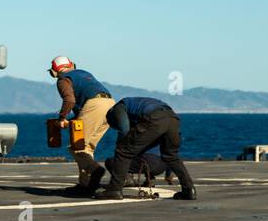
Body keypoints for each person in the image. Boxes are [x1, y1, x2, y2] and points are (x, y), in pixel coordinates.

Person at [98, 96, 197, 201]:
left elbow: (124, 129)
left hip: (154, 117)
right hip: (172, 118)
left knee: (123, 150)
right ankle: (189, 190)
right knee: (171, 155)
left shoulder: (117, 108)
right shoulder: (137, 106)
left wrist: (122, 143)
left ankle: (114, 190)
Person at [50, 56, 116, 195]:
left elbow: (69, 100)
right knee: (87, 147)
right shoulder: (84, 73)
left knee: (77, 147)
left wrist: (62, 118)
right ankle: (86, 185)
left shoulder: (63, 79)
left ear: (55, 72)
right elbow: (85, 110)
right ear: (72, 65)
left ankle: (95, 170)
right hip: (110, 104)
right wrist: (74, 119)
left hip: (94, 105)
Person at [103, 150, 176, 188]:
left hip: (147, 161)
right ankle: (150, 178)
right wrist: (168, 174)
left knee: (110, 161)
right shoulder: (161, 127)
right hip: (161, 166)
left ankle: (126, 178)